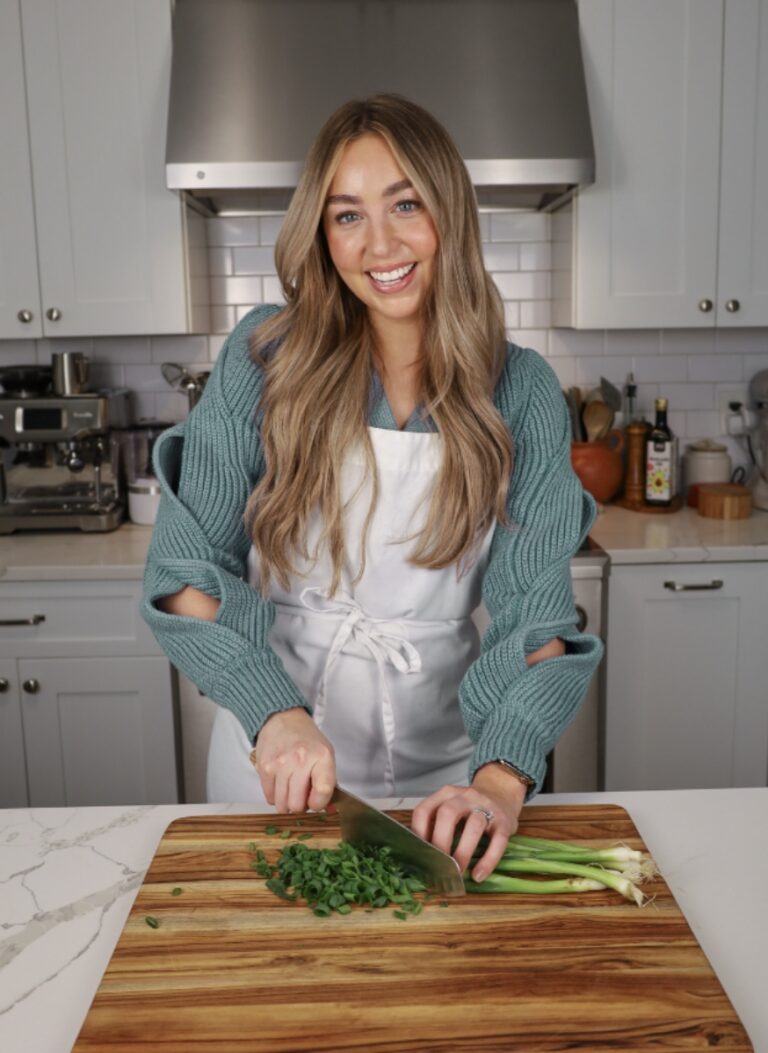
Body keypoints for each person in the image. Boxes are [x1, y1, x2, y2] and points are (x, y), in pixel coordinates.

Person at [141, 94, 602, 884]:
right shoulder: (264, 361)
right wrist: (273, 711)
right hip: (276, 764)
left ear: (447, 212)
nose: (379, 243)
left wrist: (499, 779)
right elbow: (185, 575)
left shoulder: (517, 388)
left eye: (405, 204)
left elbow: (536, 623)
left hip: (450, 776)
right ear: (323, 236)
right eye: (347, 215)